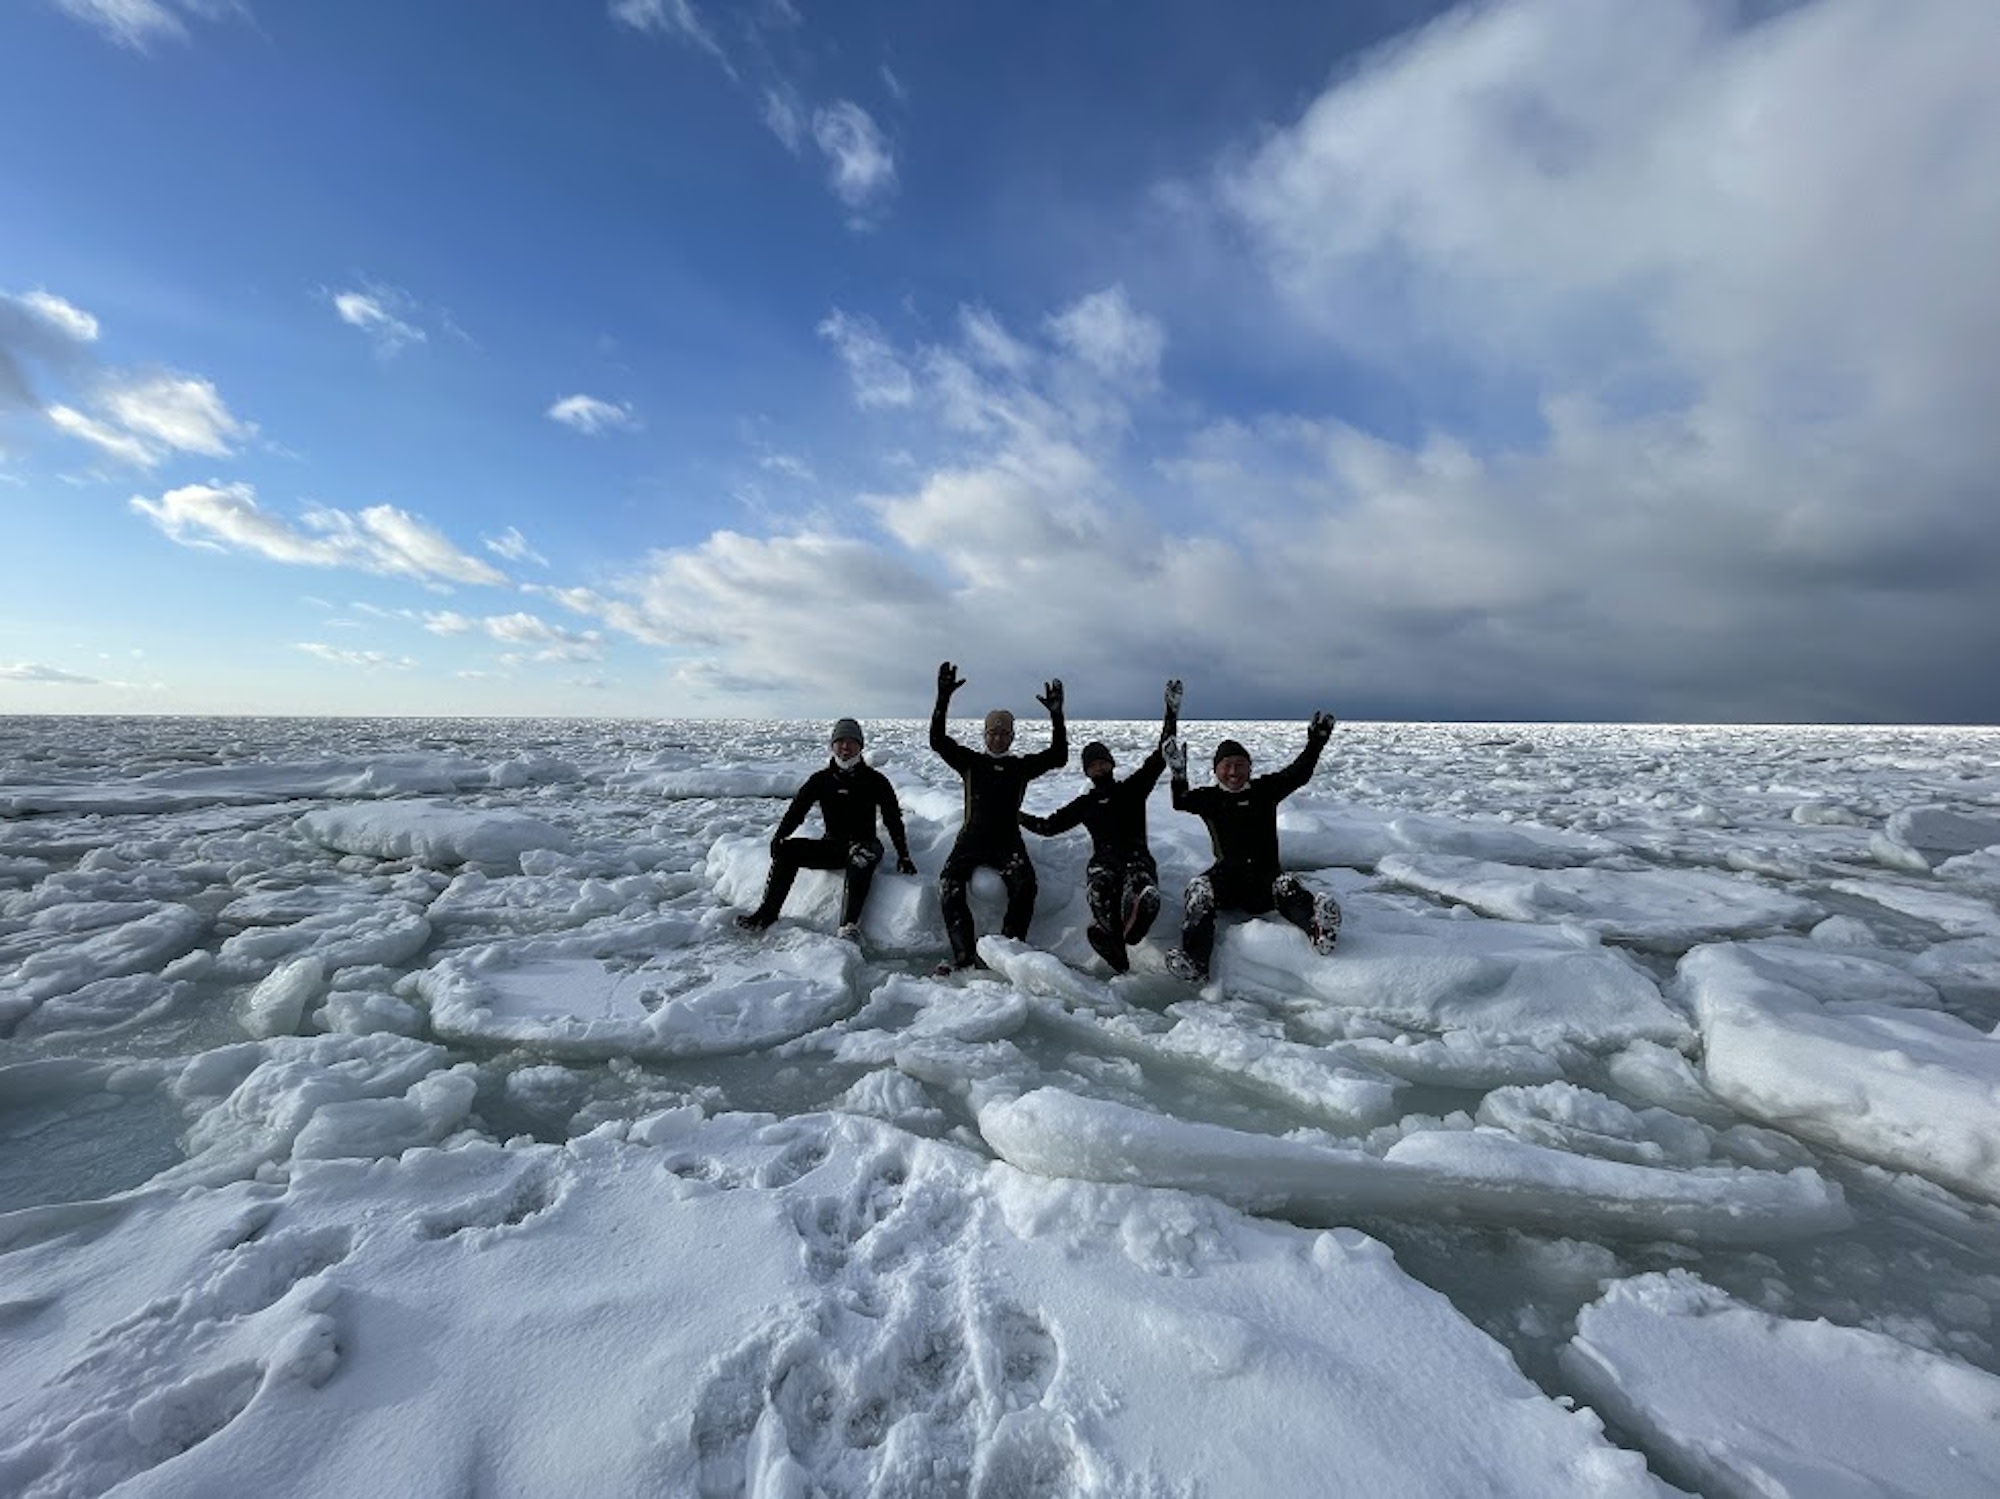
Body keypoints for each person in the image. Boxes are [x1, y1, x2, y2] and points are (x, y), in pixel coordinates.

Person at [1164, 708, 1341, 982]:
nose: (1234, 771)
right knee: (1199, 890)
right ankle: (1196, 962)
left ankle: (1319, 931)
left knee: (1288, 887)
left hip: (1265, 880)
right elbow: (1181, 801)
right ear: (1216, 770)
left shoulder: (1265, 791)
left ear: (1250, 767)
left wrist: (1316, 743)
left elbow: (1299, 774)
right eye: (1227, 765)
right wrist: (1178, 774)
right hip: (1227, 880)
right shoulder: (1210, 799)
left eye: (1240, 764)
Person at [1020, 678, 1181, 973]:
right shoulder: (1086, 803)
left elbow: (1161, 754)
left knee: (1140, 883)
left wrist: (1171, 712)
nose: (1098, 767)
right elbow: (1048, 826)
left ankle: (1136, 923)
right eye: (1092, 765)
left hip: (1136, 858)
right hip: (1104, 863)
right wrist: (1016, 815)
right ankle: (1113, 940)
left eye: (1102, 762)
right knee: (1100, 887)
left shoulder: (1132, 789)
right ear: (1087, 771)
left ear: (1111, 764)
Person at [930, 660, 1067, 972]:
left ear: (1012, 737)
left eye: (1004, 733)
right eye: (993, 733)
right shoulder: (970, 763)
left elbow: (1059, 756)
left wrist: (1057, 716)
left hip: (1007, 842)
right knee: (949, 885)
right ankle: (963, 956)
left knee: (1026, 886)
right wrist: (943, 697)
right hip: (971, 840)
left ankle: (1005, 951)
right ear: (985, 735)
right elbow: (938, 741)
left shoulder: (1020, 767)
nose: (998, 738)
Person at [737, 717, 917, 941]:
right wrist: (780, 837)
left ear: (860, 746)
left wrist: (904, 855)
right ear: (832, 745)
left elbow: (892, 819)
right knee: (787, 850)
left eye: (851, 741)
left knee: (860, 856)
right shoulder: (821, 780)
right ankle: (766, 915)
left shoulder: (875, 780)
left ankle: (849, 925)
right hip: (833, 846)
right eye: (840, 741)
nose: (845, 746)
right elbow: (797, 811)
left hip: (866, 844)